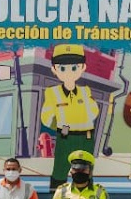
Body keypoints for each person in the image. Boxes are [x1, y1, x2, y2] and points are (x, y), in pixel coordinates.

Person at [40, 44, 100, 189]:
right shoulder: (52, 92)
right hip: (66, 137)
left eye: (74, 68)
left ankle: (87, 197)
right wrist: (62, 128)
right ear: (54, 69)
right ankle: (56, 197)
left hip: (86, 137)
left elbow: (94, 113)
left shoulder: (85, 91)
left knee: (85, 171)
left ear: (82, 68)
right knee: (60, 170)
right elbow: (46, 118)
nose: (68, 73)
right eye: (62, 68)